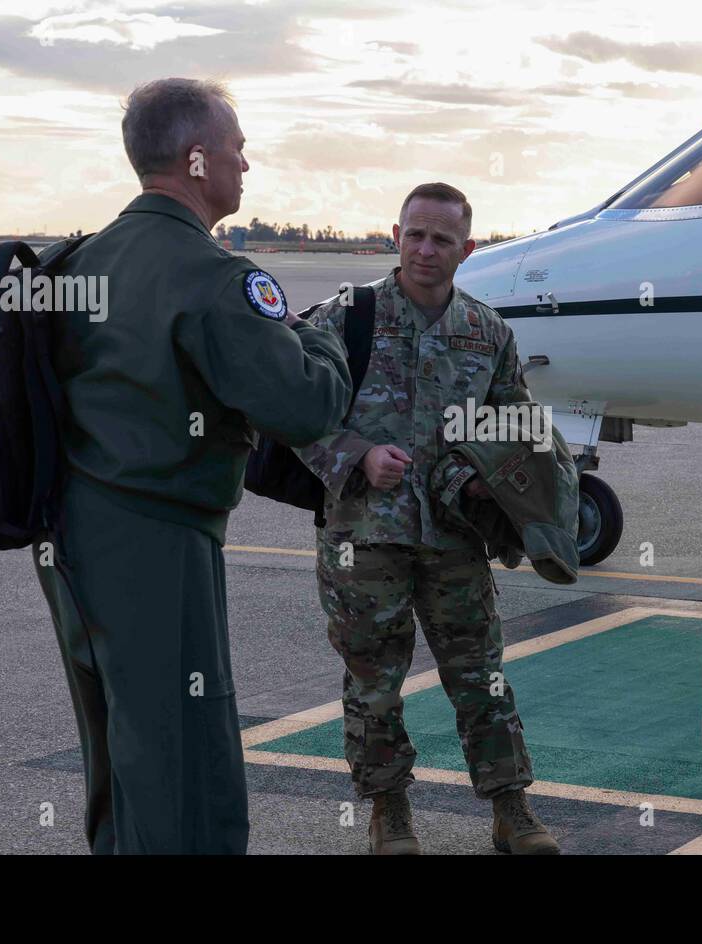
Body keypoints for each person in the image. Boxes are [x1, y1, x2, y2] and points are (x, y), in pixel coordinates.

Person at [32, 78, 352, 854]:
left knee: (120, 744)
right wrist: (325, 335)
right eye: (238, 151)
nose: (248, 166)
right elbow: (307, 406)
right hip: (157, 538)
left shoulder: (78, 259)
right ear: (198, 159)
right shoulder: (207, 274)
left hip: (72, 533)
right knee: (180, 751)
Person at [296, 182, 559, 855]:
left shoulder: (487, 333)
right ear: (395, 235)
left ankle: (511, 809)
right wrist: (355, 454)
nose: (425, 249)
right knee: (374, 682)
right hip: (364, 537)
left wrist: (484, 479)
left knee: (481, 676)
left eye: (442, 239)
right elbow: (293, 413)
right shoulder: (343, 318)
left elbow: (515, 426)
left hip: (455, 538)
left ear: (466, 249)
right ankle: (390, 811)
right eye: (415, 234)